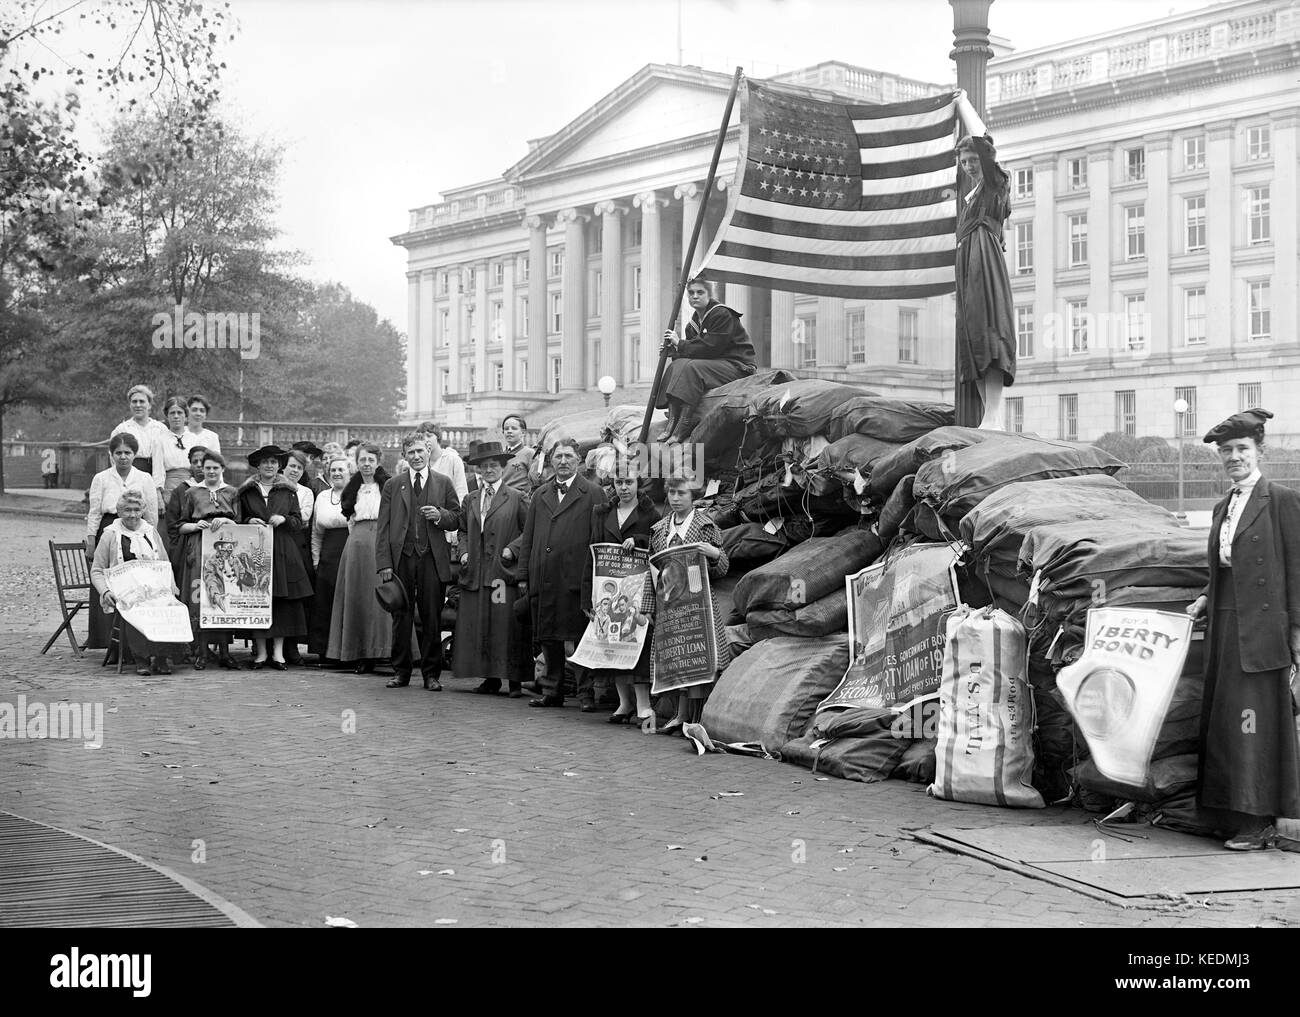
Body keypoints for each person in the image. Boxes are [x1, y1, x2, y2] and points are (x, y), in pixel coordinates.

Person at [1186, 408, 1300, 850]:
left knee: (1254, 724)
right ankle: (1228, 813)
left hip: (1263, 628)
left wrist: (1296, 634)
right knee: (1226, 722)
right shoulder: (1223, 505)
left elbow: (1296, 569)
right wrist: (1203, 598)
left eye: (1242, 449)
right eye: (1227, 451)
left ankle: (1258, 821)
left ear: (1259, 452)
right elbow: (1222, 569)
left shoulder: (1283, 501)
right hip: (1225, 621)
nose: (1234, 457)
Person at [510, 438, 601, 710]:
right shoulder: (540, 494)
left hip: (576, 578)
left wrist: (595, 578)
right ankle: (553, 691)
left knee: (581, 636)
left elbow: (600, 538)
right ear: (551, 461)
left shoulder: (593, 493)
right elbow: (528, 537)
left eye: (568, 456)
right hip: (544, 576)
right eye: (558, 456)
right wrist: (524, 574)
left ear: (579, 461)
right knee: (548, 636)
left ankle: (586, 695)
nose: (563, 461)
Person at [376, 432, 461, 690]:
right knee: (401, 615)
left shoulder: (443, 483)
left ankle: (431, 675)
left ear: (428, 452)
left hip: (432, 559)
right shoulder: (393, 485)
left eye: (420, 452)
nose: (416, 456)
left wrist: (440, 515)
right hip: (402, 557)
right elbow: (383, 526)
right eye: (410, 452)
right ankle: (401, 672)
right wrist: (384, 564)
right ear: (405, 455)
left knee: (432, 617)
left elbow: (457, 517)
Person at [649, 471, 731, 736]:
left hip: (699, 605)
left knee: (698, 656)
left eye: (681, 493)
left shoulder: (706, 526)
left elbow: (723, 568)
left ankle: (694, 717)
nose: (675, 498)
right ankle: (679, 714)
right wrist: (648, 606)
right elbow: (651, 571)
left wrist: (715, 554)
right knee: (676, 656)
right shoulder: (660, 530)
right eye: (671, 493)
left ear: (693, 496)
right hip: (671, 605)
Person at [582, 459, 658, 726]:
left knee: (638, 642)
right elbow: (592, 552)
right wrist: (587, 596)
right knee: (612, 644)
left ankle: (643, 705)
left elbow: (658, 546)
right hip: (608, 590)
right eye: (619, 482)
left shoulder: (650, 514)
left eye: (629, 482)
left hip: (638, 591)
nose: (624, 488)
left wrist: (639, 541)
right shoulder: (602, 512)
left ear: (638, 483)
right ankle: (624, 703)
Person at [454, 440, 530, 696]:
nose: (489, 470)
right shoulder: (471, 499)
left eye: (494, 465)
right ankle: (490, 678)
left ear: (502, 467)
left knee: (504, 624)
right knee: (483, 624)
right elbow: (463, 530)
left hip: (501, 574)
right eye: (484, 466)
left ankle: (514, 680)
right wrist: (463, 552)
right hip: (476, 573)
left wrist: (513, 549)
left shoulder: (516, 497)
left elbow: (529, 531)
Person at [955, 133, 1016, 431]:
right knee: (974, 334)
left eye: (973, 160)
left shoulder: (994, 183)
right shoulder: (974, 195)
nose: (968, 166)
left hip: (984, 262)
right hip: (968, 265)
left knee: (990, 330)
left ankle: (993, 416)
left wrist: (963, 102)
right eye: (964, 161)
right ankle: (989, 417)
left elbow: (983, 139)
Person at [90, 488, 184, 676]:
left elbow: (165, 563)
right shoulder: (110, 534)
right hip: (125, 591)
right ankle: (141, 658)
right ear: (119, 512)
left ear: (143, 511)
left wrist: (171, 587)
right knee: (136, 606)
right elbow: (97, 570)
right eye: (127, 510)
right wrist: (105, 591)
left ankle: (161, 657)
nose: (132, 515)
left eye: (136, 510)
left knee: (169, 606)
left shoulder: (150, 531)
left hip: (153, 588)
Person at [236, 445, 312, 669]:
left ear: (279, 466)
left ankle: (278, 653)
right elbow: (239, 518)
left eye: (273, 462)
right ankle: (260, 653)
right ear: (257, 465)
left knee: (281, 601)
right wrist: (249, 521)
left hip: (282, 549)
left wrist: (284, 520)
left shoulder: (288, 491)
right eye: (265, 462)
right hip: (254, 549)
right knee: (257, 599)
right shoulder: (247, 491)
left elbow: (298, 522)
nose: (269, 466)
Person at [657, 275, 756, 443]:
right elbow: (692, 354)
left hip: (738, 367)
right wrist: (673, 351)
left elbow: (711, 348)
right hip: (715, 366)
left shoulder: (722, 314)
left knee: (691, 368)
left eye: (700, 292)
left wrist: (680, 344)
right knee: (678, 365)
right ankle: (673, 420)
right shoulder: (693, 325)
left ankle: (685, 423)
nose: (695, 296)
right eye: (691, 293)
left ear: (710, 294)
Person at [86, 434, 160, 650]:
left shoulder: (145, 478)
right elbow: (94, 511)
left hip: (137, 529)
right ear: (111, 455)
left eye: (127, 453)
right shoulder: (101, 478)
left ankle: (139, 639)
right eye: (118, 453)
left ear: (134, 455)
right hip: (109, 529)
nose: (123, 457)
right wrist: (92, 539)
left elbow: (151, 512)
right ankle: (106, 638)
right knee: (108, 579)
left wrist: (150, 536)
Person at [329, 444, 392, 674]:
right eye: (362, 460)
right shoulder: (352, 488)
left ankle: (385, 651)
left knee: (382, 597)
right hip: (356, 544)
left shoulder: (388, 486)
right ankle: (361, 654)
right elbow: (350, 518)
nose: (366, 464)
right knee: (359, 598)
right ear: (357, 462)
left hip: (381, 543)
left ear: (378, 462)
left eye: (371, 460)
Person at [175, 450, 240, 670]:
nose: (211, 471)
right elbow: (181, 525)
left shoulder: (232, 492)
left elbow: (241, 524)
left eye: (216, 468)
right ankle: (201, 652)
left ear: (222, 469)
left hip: (225, 549)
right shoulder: (193, 493)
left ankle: (224, 652)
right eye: (207, 467)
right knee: (200, 598)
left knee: (222, 596)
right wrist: (196, 525)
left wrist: (225, 520)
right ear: (202, 469)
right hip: (199, 547)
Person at [309, 457, 351, 667]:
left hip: (351, 551)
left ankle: (349, 652)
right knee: (326, 603)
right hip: (328, 555)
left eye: (341, 469)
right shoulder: (323, 497)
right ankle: (325, 652)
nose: (336, 473)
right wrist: (316, 559)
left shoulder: (360, 494)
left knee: (348, 602)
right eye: (333, 470)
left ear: (350, 472)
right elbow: (316, 532)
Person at [281, 448, 319, 666]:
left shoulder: (305, 492)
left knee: (296, 597)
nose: (294, 470)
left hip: (296, 546)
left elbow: (303, 518)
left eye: (299, 467)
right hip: (275, 544)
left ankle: (292, 645)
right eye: (291, 466)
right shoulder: (273, 488)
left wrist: (283, 517)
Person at [111, 384, 171, 502]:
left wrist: (158, 489)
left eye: (142, 401)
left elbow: (162, 461)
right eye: (134, 402)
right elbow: (114, 460)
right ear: (130, 405)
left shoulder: (160, 429)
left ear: (149, 405)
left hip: (154, 476)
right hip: (129, 477)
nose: (138, 405)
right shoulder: (121, 429)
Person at [165, 444, 208, 578]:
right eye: (195, 462)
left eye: (203, 461)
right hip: (186, 547)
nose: (199, 465)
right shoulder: (181, 490)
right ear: (190, 465)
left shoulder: (219, 490)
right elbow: (172, 524)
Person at [158, 396, 199, 512]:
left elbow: (198, 467)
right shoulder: (160, 440)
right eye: (172, 413)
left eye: (179, 412)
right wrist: (159, 497)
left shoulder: (194, 439)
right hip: (169, 489)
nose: (176, 416)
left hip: (191, 487)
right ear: (167, 416)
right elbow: (158, 471)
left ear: (186, 415)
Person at [501, 414, 535, 502]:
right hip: (501, 500)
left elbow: (535, 481)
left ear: (523, 432)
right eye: (506, 429)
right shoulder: (500, 454)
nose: (509, 431)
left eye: (514, 428)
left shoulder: (529, 453)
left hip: (520, 501)